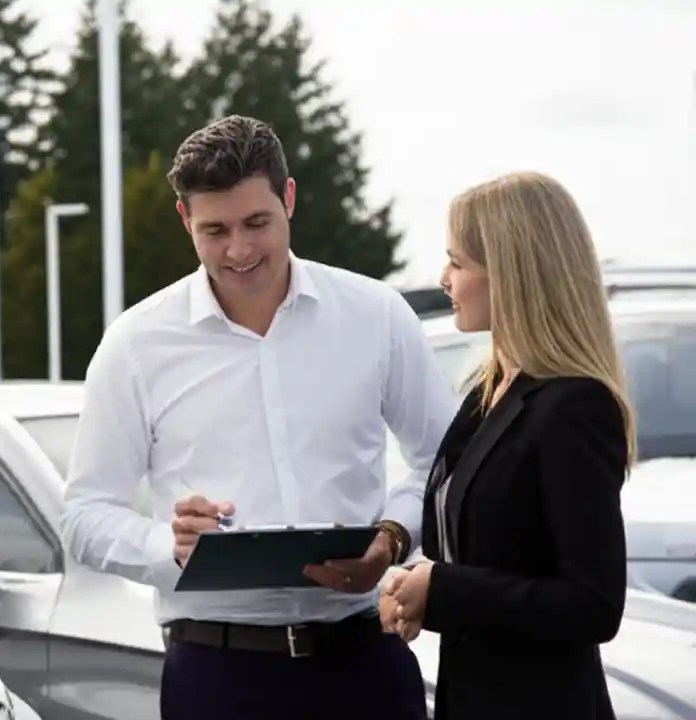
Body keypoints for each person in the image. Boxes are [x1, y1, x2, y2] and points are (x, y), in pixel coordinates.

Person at [59, 114, 458, 719]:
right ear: (184, 221)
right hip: (218, 679)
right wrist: (166, 545)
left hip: (365, 666)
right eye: (215, 230)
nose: (239, 250)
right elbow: (85, 514)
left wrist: (392, 538)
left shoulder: (377, 315)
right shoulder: (136, 345)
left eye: (256, 223)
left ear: (289, 199)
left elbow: (441, 460)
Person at [382, 171, 635, 719]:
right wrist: (414, 586)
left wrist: (442, 590)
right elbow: (479, 551)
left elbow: (592, 604)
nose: (444, 277)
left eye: (459, 261)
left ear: (512, 273)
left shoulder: (573, 406)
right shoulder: (487, 393)